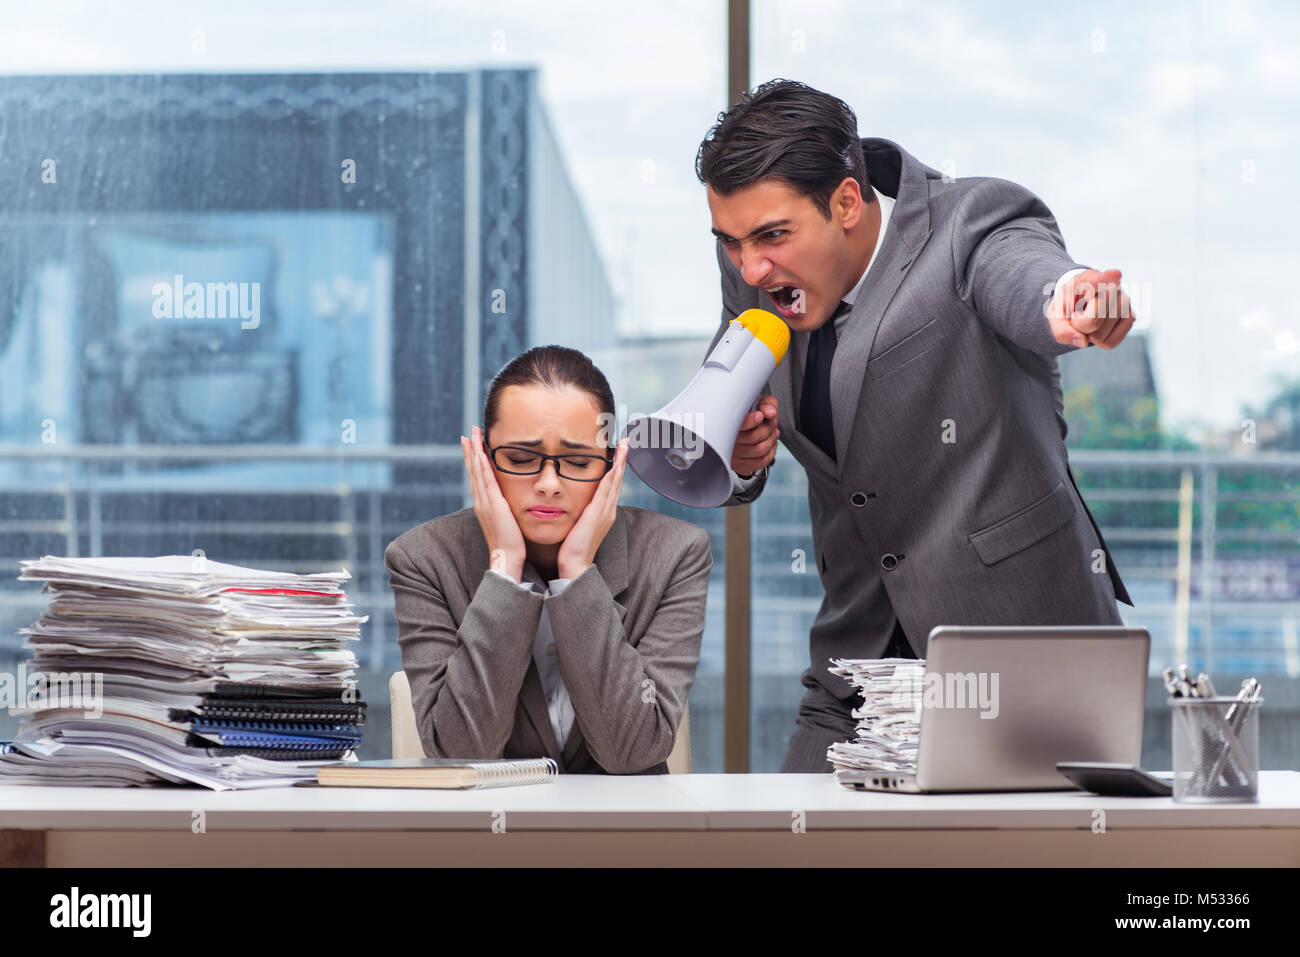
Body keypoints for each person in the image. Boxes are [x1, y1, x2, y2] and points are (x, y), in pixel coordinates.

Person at [697, 79, 1136, 773]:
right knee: (786, 841)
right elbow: (727, 416)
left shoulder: (970, 224)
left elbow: (1026, 276)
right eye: (730, 241)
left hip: (1022, 658)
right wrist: (743, 455)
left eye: (772, 236)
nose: (752, 266)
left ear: (846, 201)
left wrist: (1069, 301)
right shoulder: (756, 275)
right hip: (859, 664)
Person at [384, 345, 712, 774]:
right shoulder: (422, 559)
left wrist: (577, 575)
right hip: (482, 836)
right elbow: (460, 752)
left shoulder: (675, 554)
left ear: (613, 466)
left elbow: (633, 751)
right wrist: (503, 568)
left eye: (577, 461)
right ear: (483, 459)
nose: (549, 484)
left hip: (628, 833)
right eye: (520, 459)